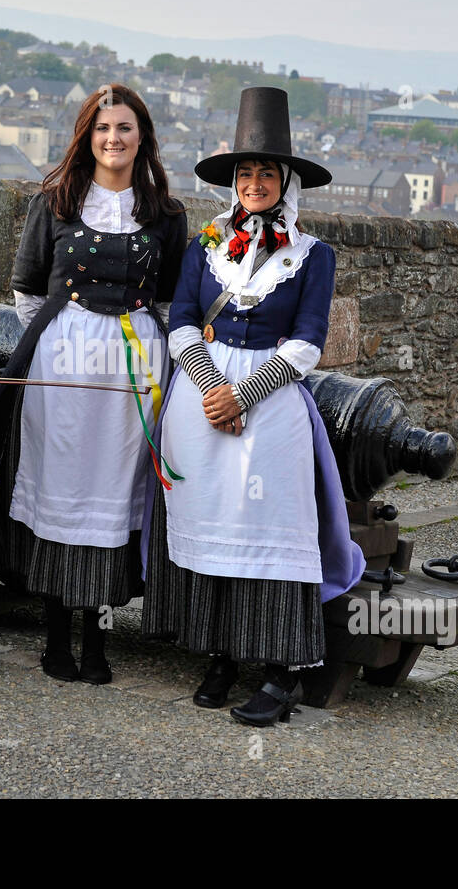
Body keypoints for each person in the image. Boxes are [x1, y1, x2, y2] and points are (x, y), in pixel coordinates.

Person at [141, 87, 366, 725]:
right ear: (234, 183)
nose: (256, 182)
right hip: (200, 397)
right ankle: (220, 654)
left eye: (267, 172)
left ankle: (282, 670)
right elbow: (182, 320)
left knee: (268, 528)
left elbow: (307, 344)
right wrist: (210, 384)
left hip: (270, 406)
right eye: (246, 173)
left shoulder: (312, 256)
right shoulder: (203, 248)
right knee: (210, 520)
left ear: (286, 181)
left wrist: (245, 391)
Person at [0, 83, 187, 684]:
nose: (113, 138)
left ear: (141, 136)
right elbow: (25, 289)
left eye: (124, 128)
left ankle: (97, 638)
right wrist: (67, 336)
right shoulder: (57, 202)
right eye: (102, 129)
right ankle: (55, 636)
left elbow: (173, 301)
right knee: (61, 484)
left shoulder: (166, 215)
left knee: (114, 488)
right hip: (63, 366)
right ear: (86, 137)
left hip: (133, 370)